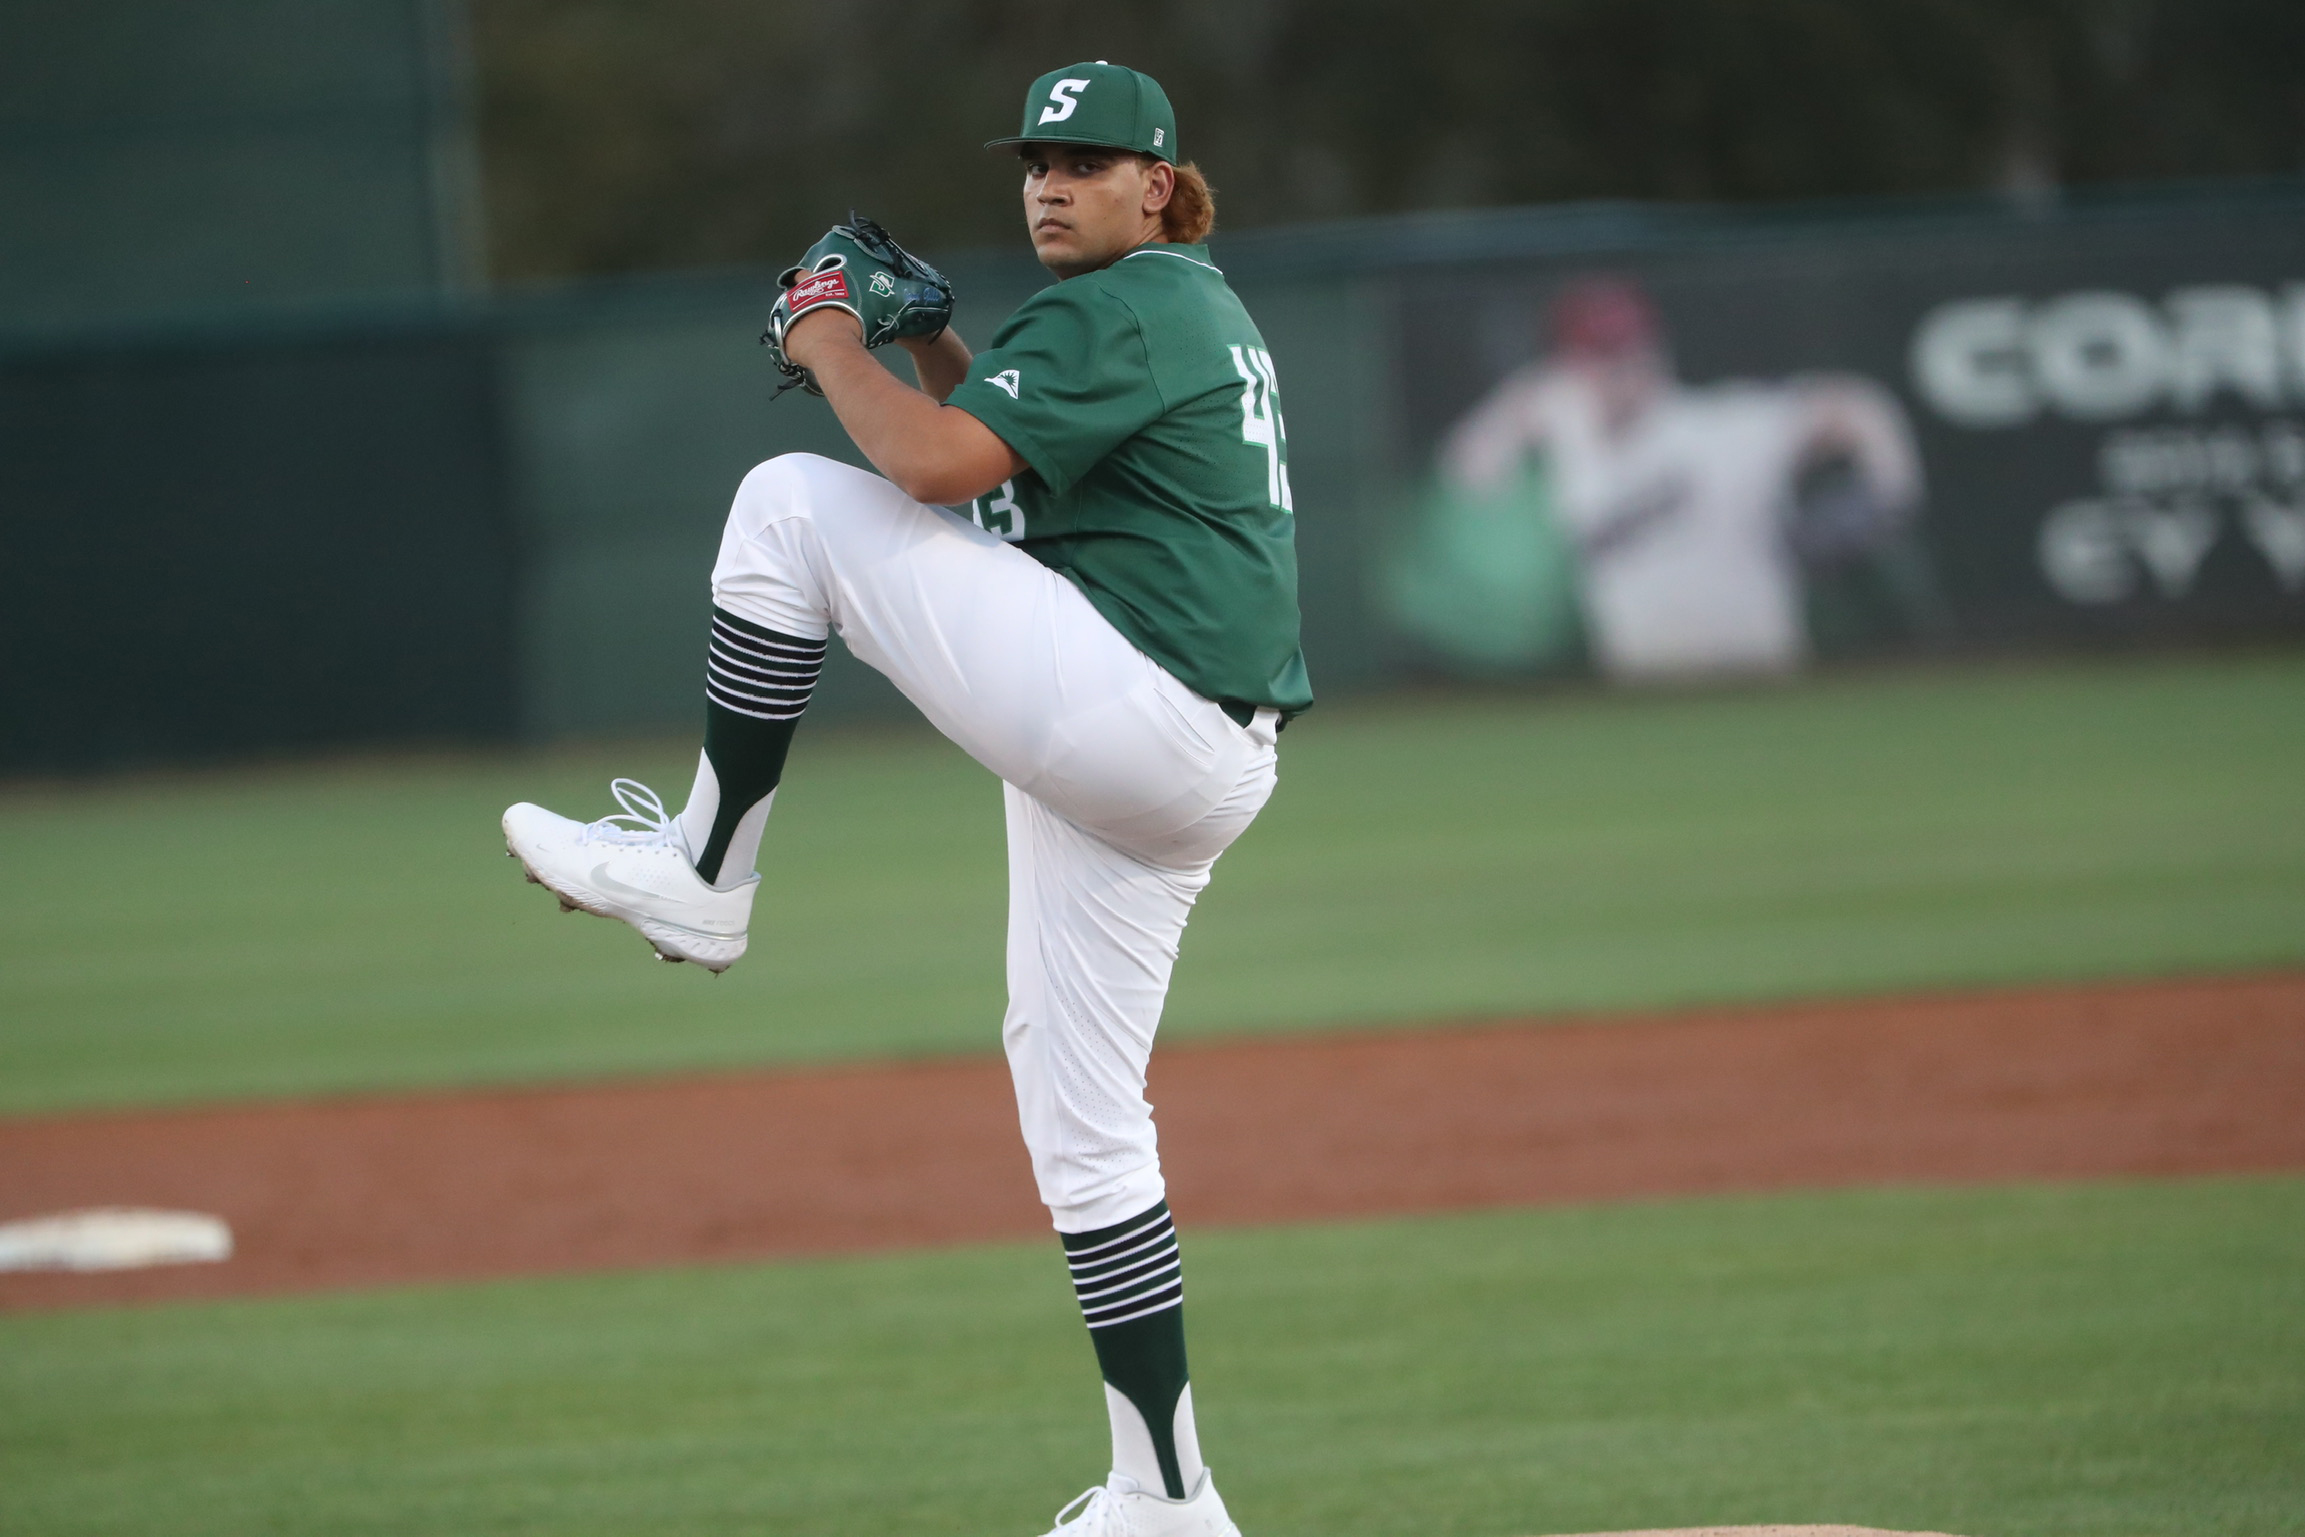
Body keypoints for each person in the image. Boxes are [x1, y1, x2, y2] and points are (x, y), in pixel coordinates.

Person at [501, 60, 1308, 1537]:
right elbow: (1002, 486)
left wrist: (826, 340)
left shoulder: (1128, 304)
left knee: (787, 505)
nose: (1054, 180)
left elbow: (929, 474)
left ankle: (706, 868)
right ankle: (1165, 1498)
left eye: (1092, 158)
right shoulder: (1173, 313)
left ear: (1161, 186)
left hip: (1140, 708)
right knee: (1083, 1121)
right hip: (1184, 753)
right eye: (1037, 159)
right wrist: (933, 340)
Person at [1437, 274, 1926, 679]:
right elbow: (1469, 463)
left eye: (1631, 348)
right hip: (1646, 689)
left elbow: (1861, 407)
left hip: (1760, 673)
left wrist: (1890, 489)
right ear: (1568, 364)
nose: (1621, 366)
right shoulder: (1571, 441)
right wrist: (1535, 397)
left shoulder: (1724, 424)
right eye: (1602, 354)